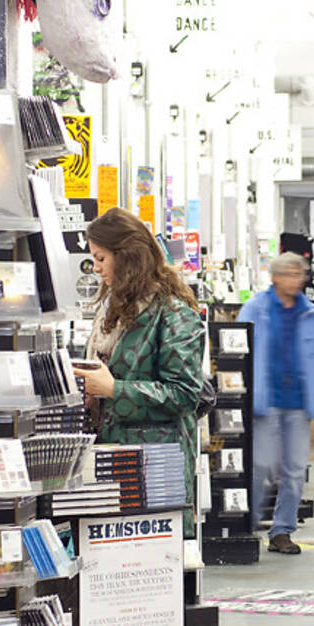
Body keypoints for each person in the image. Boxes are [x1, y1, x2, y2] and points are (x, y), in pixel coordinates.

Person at [72, 209, 206, 534]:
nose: (96, 267)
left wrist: (113, 389)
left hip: (155, 468)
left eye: (101, 258)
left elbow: (186, 394)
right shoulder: (113, 311)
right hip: (113, 458)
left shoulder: (173, 314)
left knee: (154, 565)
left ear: (127, 257)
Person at [238, 252, 314, 555]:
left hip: (298, 403)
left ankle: (282, 531)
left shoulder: (311, 313)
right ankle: (246, 524)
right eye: (290, 273)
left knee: (294, 470)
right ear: (275, 276)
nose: (296, 279)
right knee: (261, 465)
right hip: (265, 403)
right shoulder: (255, 308)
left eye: (300, 274)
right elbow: (238, 351)